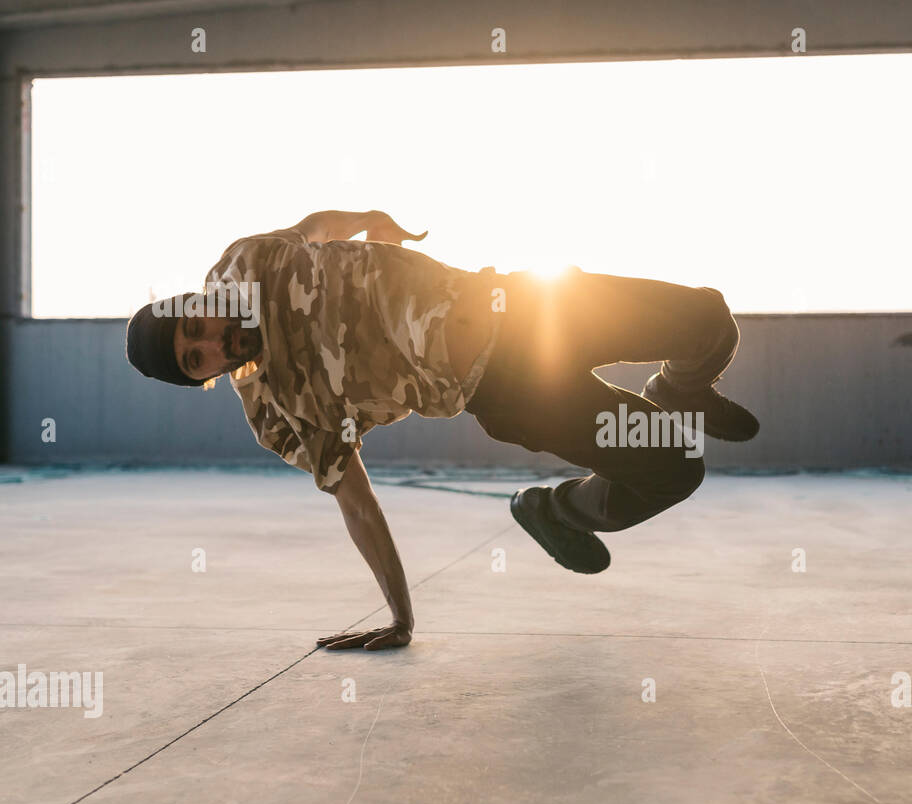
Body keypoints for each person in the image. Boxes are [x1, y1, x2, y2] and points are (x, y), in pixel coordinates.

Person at [125, 210, 758, 650]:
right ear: (200, 377)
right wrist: (400, 616)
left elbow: (313, 227)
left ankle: (678, 391)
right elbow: (357, 504)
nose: (211, 340)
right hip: (514, 391)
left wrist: (369, 215)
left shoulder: (243, 262)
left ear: (192, 302)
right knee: (676, 463)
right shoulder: (278, 412)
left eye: (194, 324)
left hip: (528, 304)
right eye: (195, 357)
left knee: (709, 319)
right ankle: (557, 511)